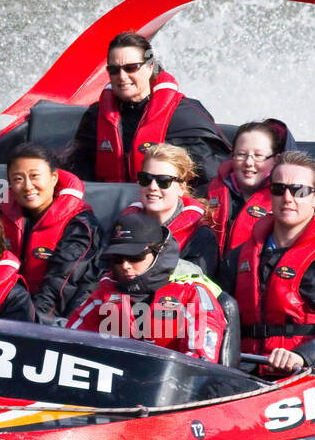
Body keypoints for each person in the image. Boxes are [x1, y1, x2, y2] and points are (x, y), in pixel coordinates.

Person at [219, 151, 315, 374]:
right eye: (279, 190)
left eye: (299, 191)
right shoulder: (240, 256)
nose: (287, 198)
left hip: (304, 377)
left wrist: (304, 356)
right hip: (240, 371)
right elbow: (215, 312)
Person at [65, 31, 230, 185]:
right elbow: (79, 170)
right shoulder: (96, 115)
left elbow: (211, 177)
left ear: (150, 67)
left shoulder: (185, 114)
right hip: (110, 208)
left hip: (167, 209)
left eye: (131, 68)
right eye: (114, 70)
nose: (122, 77)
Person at [66, 213, 227, 363]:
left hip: (173, 388)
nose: (125, 266)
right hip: (111, 386)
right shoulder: (103, 294)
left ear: (158, 252)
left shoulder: (192, 294)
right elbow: (69, 345)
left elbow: (201, 362)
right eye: (117, 259)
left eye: (135, 257)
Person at [0, 143, 102, 324]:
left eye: (34, 176)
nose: (28, 186)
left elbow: (61, 284)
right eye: (18, 179)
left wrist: (30, 323)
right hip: (10, 309)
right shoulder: (0, 217)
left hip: (53, 318)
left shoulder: (80, 226)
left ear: (54, 178)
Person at [118, 144, 220, 277]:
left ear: (181, 188)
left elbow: (200, 285)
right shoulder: (122, 227)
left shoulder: (200, 237)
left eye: (163, 181)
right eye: (146, 178)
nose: (153, 186)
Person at [205, 121, 282, 269]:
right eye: (241, 154)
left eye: (258, 156)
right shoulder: (209, 190)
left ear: (275, 160)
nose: (248, 162)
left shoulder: (284, 198)